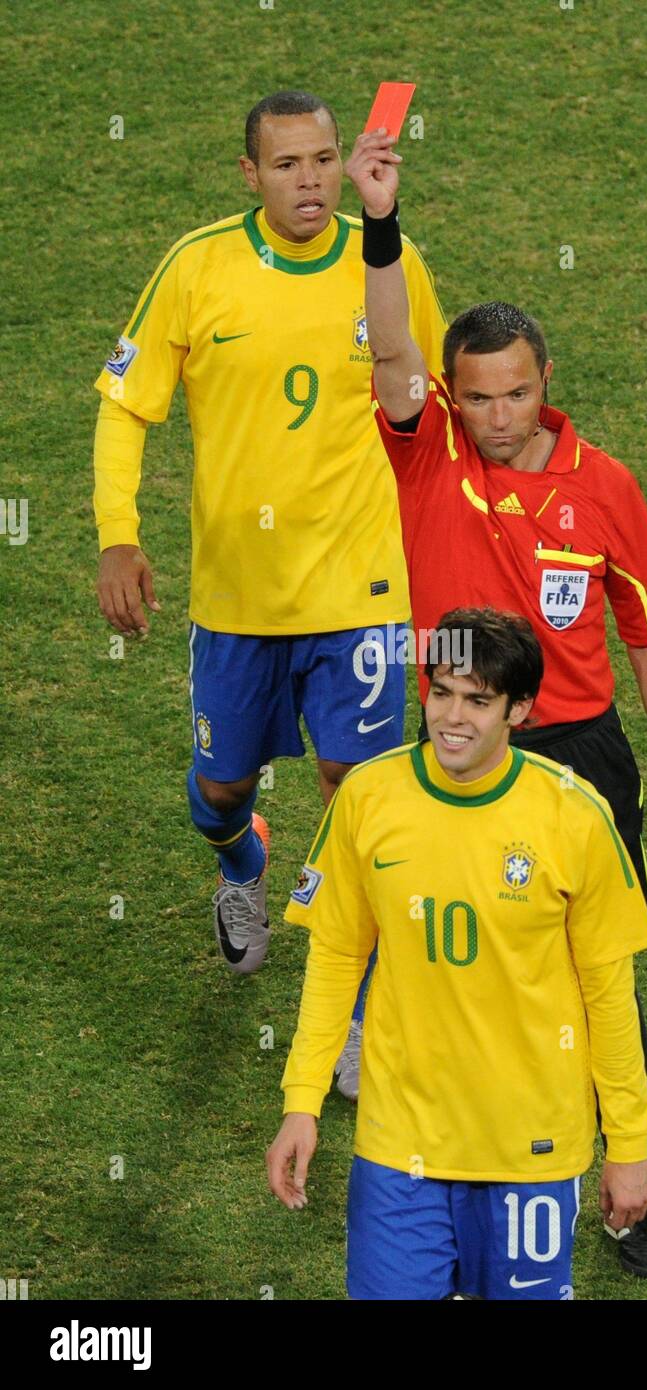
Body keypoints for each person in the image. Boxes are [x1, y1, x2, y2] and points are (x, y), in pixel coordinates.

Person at [343, 127, 647, 1276]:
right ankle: (452, 1171)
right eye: (476, 395)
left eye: (513, 392)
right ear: (451, 396)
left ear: (544, 383)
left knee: (592, 974)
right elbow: (392, 344)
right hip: (454, 746)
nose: (495, 413)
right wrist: (379, 223)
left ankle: (629, 1176)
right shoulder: (428, 457)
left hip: (578, 759)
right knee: (446, 968)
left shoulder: (606, 487)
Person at [92, 92, 446, 991]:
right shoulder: (198, 267)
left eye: (324, 160)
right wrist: (117, 536)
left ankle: (363, 1011)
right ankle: (243, 861)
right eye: (287, 166)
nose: (311, 183)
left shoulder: (391, 262)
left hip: (361, 586)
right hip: (237, 595)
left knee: (356, 791)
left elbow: (433, 405)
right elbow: (127, 404)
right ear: (250, 175)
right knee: (218, 791)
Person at [267, 608, 647, 1301]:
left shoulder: (575, 817)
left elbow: (609, 996)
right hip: (397, 1144)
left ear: (520, 709)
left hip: (530, 1147)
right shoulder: (366, 798)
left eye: (478, 700)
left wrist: (628, 1147)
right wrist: (302, 1100)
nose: (453, 717)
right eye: (441, 691)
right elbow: (334, 960)